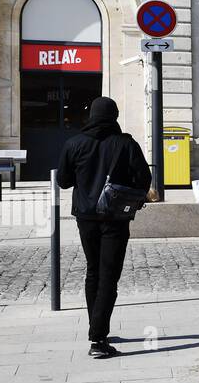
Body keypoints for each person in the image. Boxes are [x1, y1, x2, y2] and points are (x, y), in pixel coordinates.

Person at [57, 97, 151, 359]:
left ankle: (96, 327)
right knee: (109, 275)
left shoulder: (74, 143)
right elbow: (144, 178)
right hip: (115, 217)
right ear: (114, 116)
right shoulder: (126, 143)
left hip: (86, 217)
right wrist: (134, 197)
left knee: (93, 272)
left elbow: (63, 181)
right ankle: (98, 338)